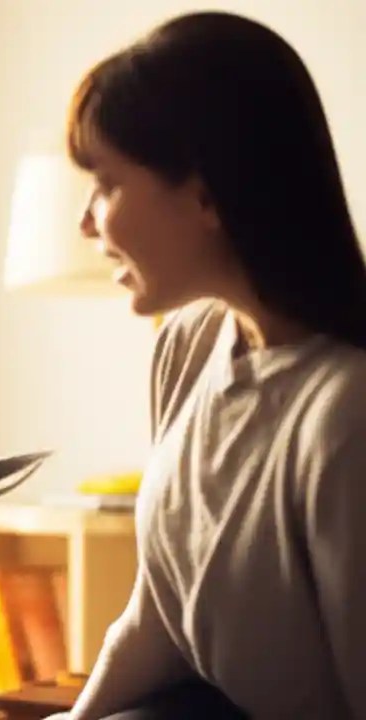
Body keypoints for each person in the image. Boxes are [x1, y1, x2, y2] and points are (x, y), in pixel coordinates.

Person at [59, 11, 366, 720]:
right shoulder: (188, 345)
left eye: (105, 184)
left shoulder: (344, 413)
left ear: (204, 195)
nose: (86, 223)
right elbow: (160, 614)